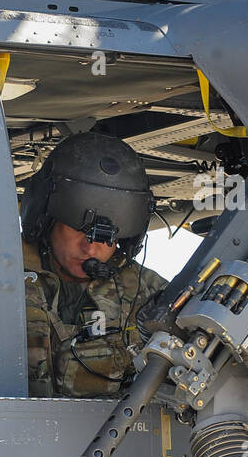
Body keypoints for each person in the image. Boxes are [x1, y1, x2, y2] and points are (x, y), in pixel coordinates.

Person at [20, 132, 168, 397]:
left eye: (106, 238)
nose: (90, 248)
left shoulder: (147, 295)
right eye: (78, 229)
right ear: (47, 219)